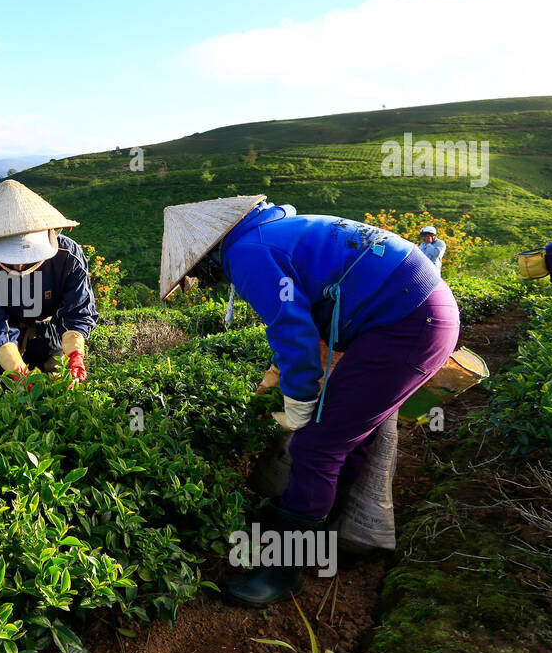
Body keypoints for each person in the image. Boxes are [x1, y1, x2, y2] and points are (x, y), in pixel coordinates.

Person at [160, 195, 460, 607]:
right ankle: (325, 528)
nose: (204, 279)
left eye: (197, 270)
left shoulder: (248, 252)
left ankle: (284, 572)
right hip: (419, 311)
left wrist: (299, 396)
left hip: (407, 323)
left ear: (208, 253)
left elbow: (292, 331)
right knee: (347, 435)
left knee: (317, 445)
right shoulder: (270, 231)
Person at [0, 180, 98, 394]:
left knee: (56, 398)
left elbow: (77, 311)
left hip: (49, 334)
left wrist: (75, 354)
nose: (20, 265)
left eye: (27, 257)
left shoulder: (68, 256)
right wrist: (16, 369)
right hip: (1, 343)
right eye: (10, 258)